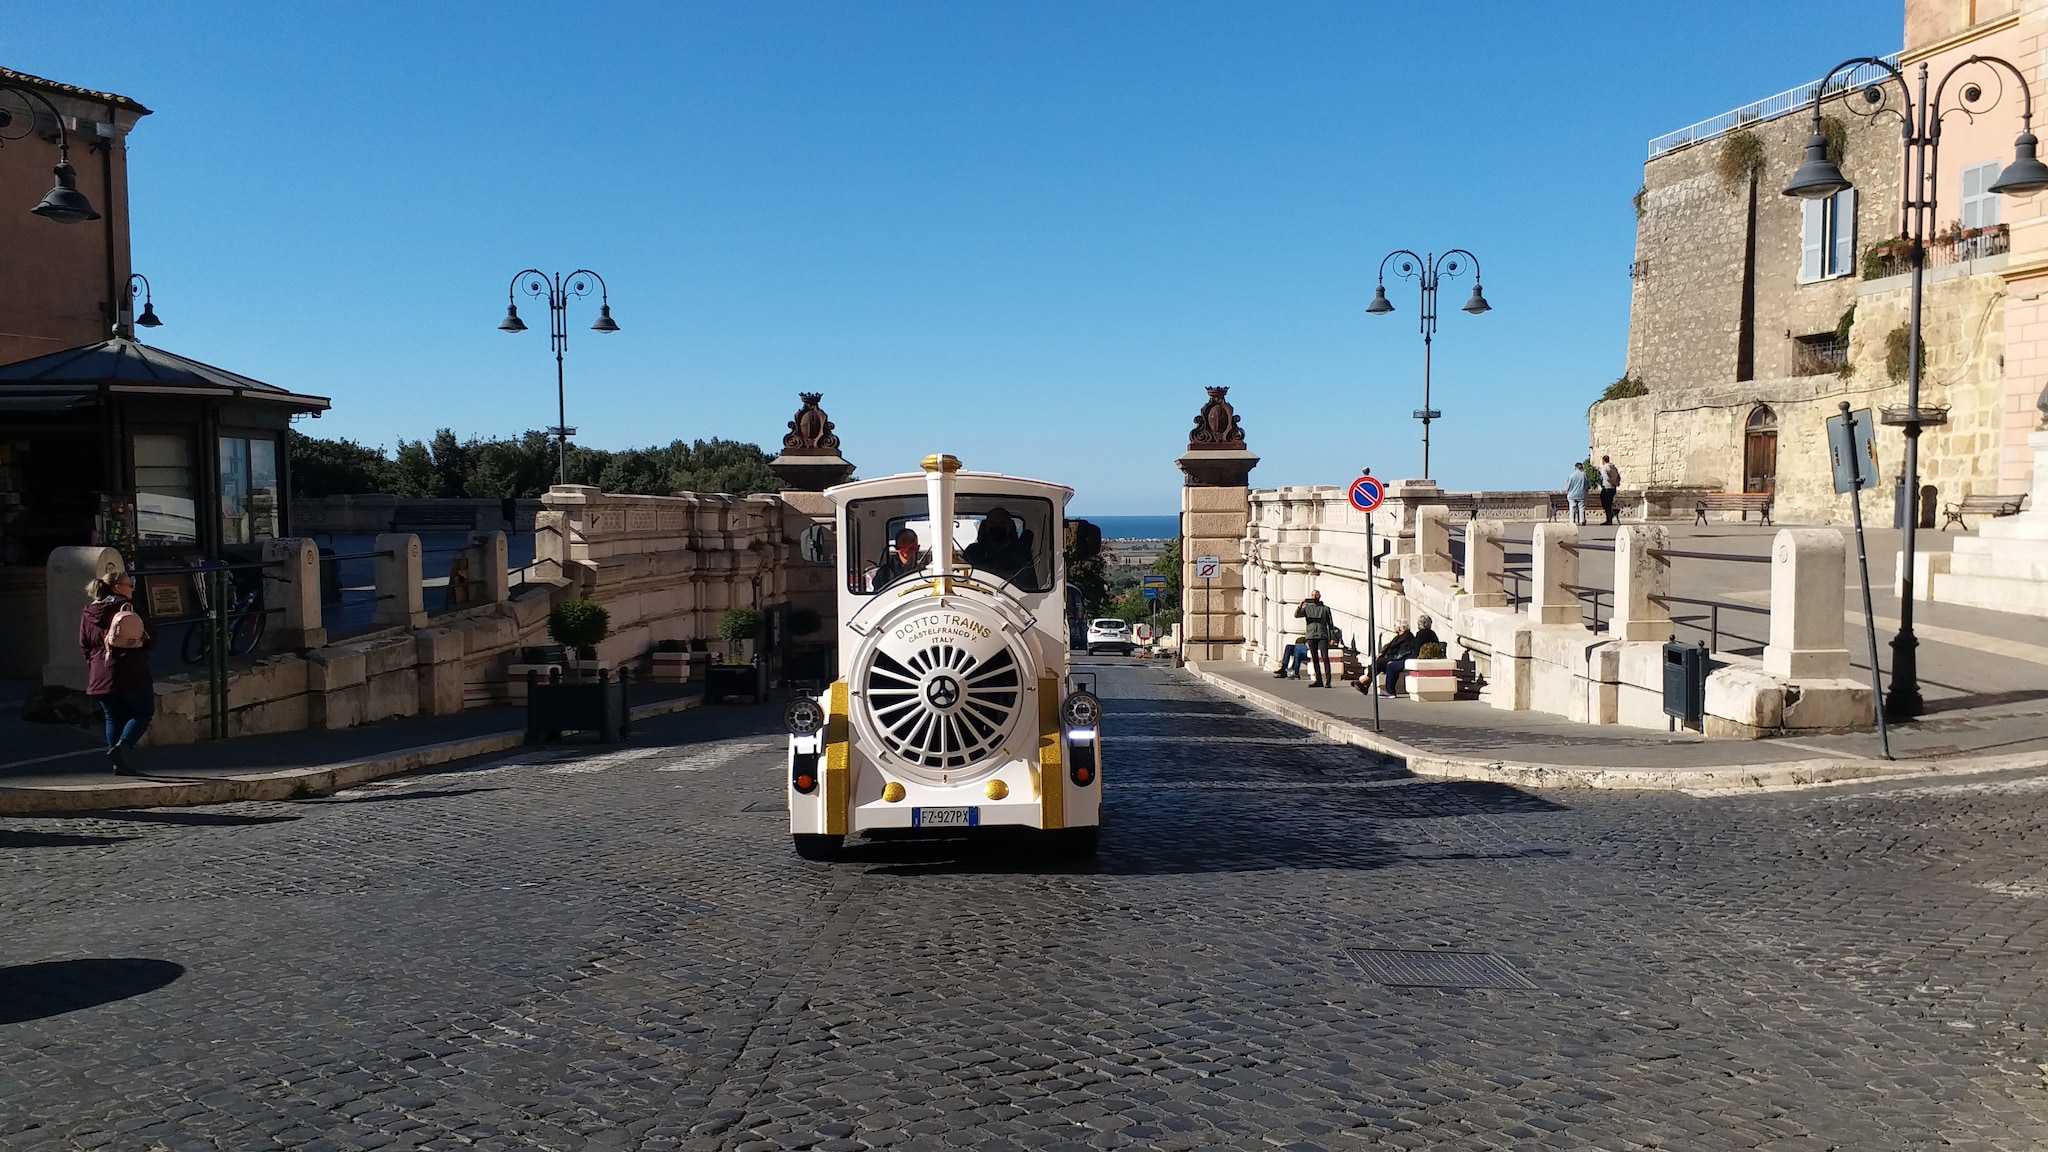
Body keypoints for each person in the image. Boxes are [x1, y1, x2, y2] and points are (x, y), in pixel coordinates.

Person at [78, 568, 155, 775]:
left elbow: (84, 644)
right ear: (118, 587)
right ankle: (123, 747)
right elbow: (151, 640)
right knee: (143, 712)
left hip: (100, 674)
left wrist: (95, 665)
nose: (132, 589)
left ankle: (119, 763)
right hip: (132, 671)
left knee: (113, 717)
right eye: (130, 585)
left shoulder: (89, 611)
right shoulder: (131, 608)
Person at [1294, 590, 1335, 687]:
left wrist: (1332, 637)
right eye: (1312, 595)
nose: (1314, 597)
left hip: (1322, 636)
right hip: (1311, 636)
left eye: (1316, 595)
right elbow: (1297, 615)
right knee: (1315, 659)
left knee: (1325, 658)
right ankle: (1318, 680)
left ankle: (1328, 681)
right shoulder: (1307, 608)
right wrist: (1300, 605)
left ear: (1319, 596)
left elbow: (1330, 624)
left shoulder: (1325, 609)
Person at [1374, 622, 1419, 697]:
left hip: (1403, 658)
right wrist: (1382, 653)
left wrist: (1394, 660)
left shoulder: (1407, 637)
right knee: (1379, 662)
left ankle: (1390, 692)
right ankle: (1366, 680)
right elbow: (1389, 647)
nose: (1394, 627)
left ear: (1400, 628)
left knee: (1390, 666)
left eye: (1395, 625)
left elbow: (1402, 652)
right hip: (1398, 657)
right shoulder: (1399, 636)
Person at [1599, 454, 1622, 526]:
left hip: (1607, 487)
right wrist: (1617, 483)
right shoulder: (1614, 468)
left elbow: (1607, 478)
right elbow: (1619, 476)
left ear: (1603, 460)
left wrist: (1613, 482)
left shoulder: (1604, 468)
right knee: (1609, 503)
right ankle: (1610, 517)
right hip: (1613, 488)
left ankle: (1610, 517)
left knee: (1605, 503)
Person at [1564, 461, 1589, 526]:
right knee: (1581, 508)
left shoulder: (1571, 476)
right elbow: (1587, 485)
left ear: (1575, 468)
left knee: (1572, 508)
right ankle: (1582, 520)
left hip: (1572, 494)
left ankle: (1572, 521)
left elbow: (1568, 487)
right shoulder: (1584, 475)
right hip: (1581, 494)